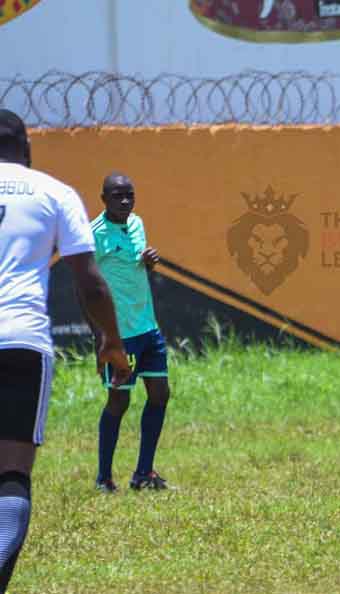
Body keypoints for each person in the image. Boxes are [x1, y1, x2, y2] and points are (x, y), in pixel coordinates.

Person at [0, 109, 130, 591]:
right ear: (28, 150)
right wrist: (112, 343)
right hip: (21, 343)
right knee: (11, 474)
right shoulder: (53, 192)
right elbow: (89, 281)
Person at [86, 173, 172, 492]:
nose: (125, 201)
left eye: (130, 195)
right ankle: (104, 478)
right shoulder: (94, 234)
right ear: (103, 199)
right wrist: (100, 336)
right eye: (118, 196)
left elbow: (135, 267)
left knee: (160, 394)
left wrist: (148, 262)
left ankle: (143, 474)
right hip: (120, 335)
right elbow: (86, 290)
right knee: (119, 402)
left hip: (148, 327)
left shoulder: (137, 223)